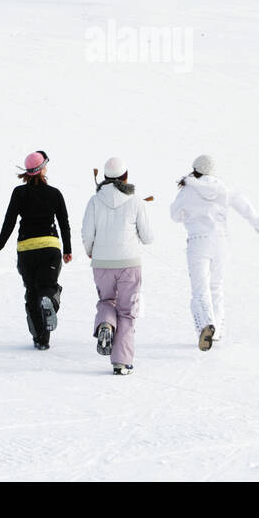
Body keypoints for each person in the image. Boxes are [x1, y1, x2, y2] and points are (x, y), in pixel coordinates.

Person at [169, 154, 259, 351]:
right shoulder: (223, 189)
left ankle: (206, 324)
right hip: (221, 242)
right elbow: (245, 208)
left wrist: (187, 215)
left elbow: (175, 215)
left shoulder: (188, 189)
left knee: (200, 290)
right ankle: (215, 333)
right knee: (216, 287)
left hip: (199, 241)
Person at [0, 150, 72, 350]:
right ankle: (50, 301)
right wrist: (67, 249)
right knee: (47, 289)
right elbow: (64, 223)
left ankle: (40, 338)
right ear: (42, 170)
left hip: (26, 249)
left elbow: (10, 221)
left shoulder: (19, 193)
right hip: (50, 247)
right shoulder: (55, 193)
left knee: (32, 293)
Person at [81, 157, 154, 375]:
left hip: (102, 263)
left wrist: (91, 252)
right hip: (129, 264)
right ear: (126, 177)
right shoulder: (136, 201)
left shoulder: (94, 201)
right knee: (127, 311)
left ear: (104, 177)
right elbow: (148, 237)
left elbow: (87, 233)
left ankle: (105, 324)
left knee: (106, 301)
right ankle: (121, 362)